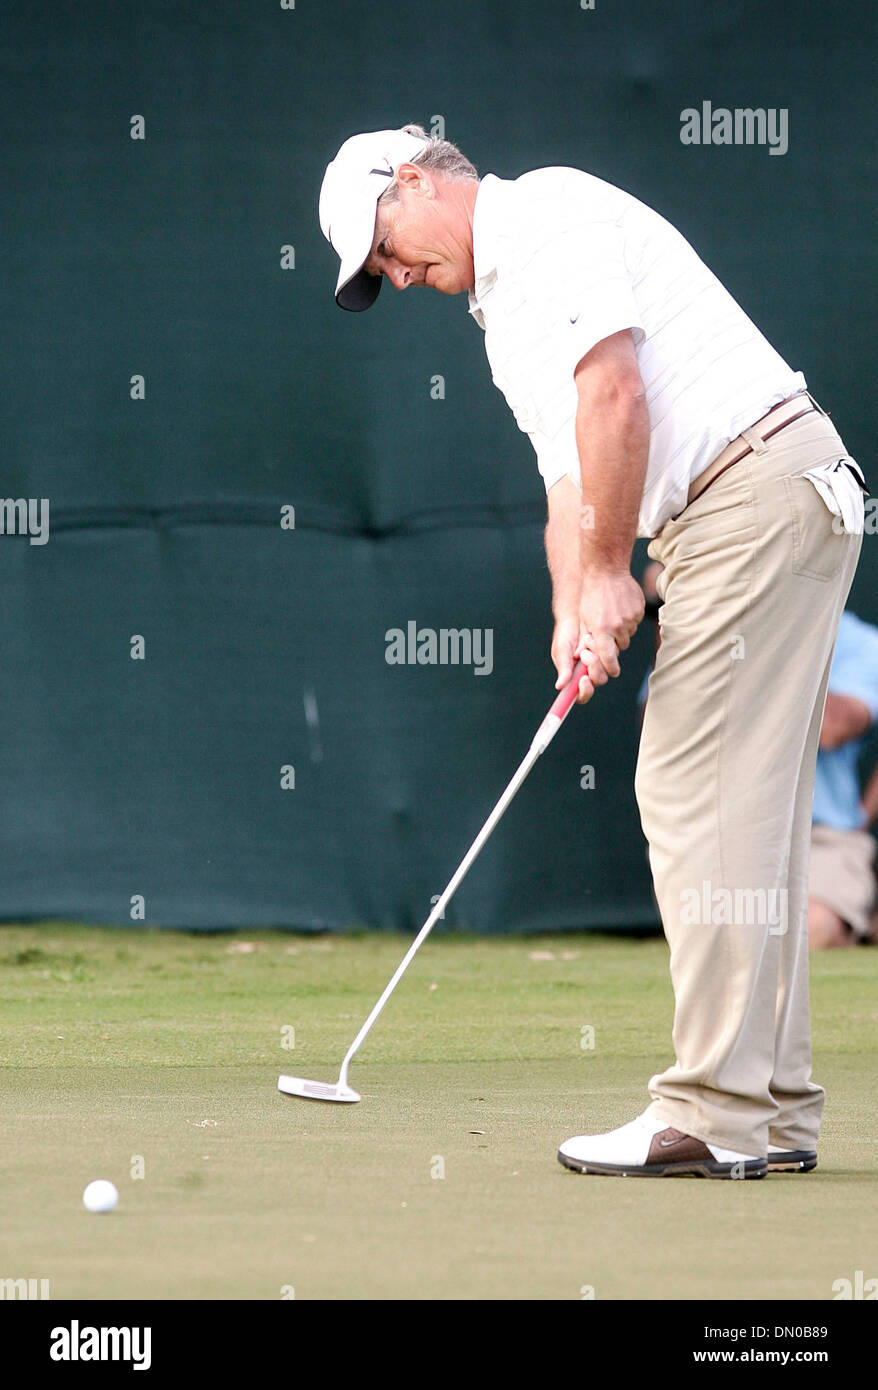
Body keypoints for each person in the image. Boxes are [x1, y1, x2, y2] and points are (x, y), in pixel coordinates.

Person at [319, 124, 866, 1178]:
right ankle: (774, 1109)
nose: (397, 276)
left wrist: (616, 569)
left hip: (747, 492)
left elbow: (617, 393)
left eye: (385, 248)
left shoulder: (546, 214)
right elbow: (570, 481)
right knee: (742, 803)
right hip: (772, 493)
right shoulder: (500, 315)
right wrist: (576, 606)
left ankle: (710, 1111)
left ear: (417, 180)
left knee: (688, 787)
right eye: (378, 275)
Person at [807, 610, 878, 948]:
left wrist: (771, 641)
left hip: (822, 837)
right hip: (725, 835)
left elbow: (832, 729)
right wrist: (667, 617)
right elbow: (660, 731)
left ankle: (856, 922)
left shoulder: (861, 642)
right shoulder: (709, 631)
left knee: (812, 926)